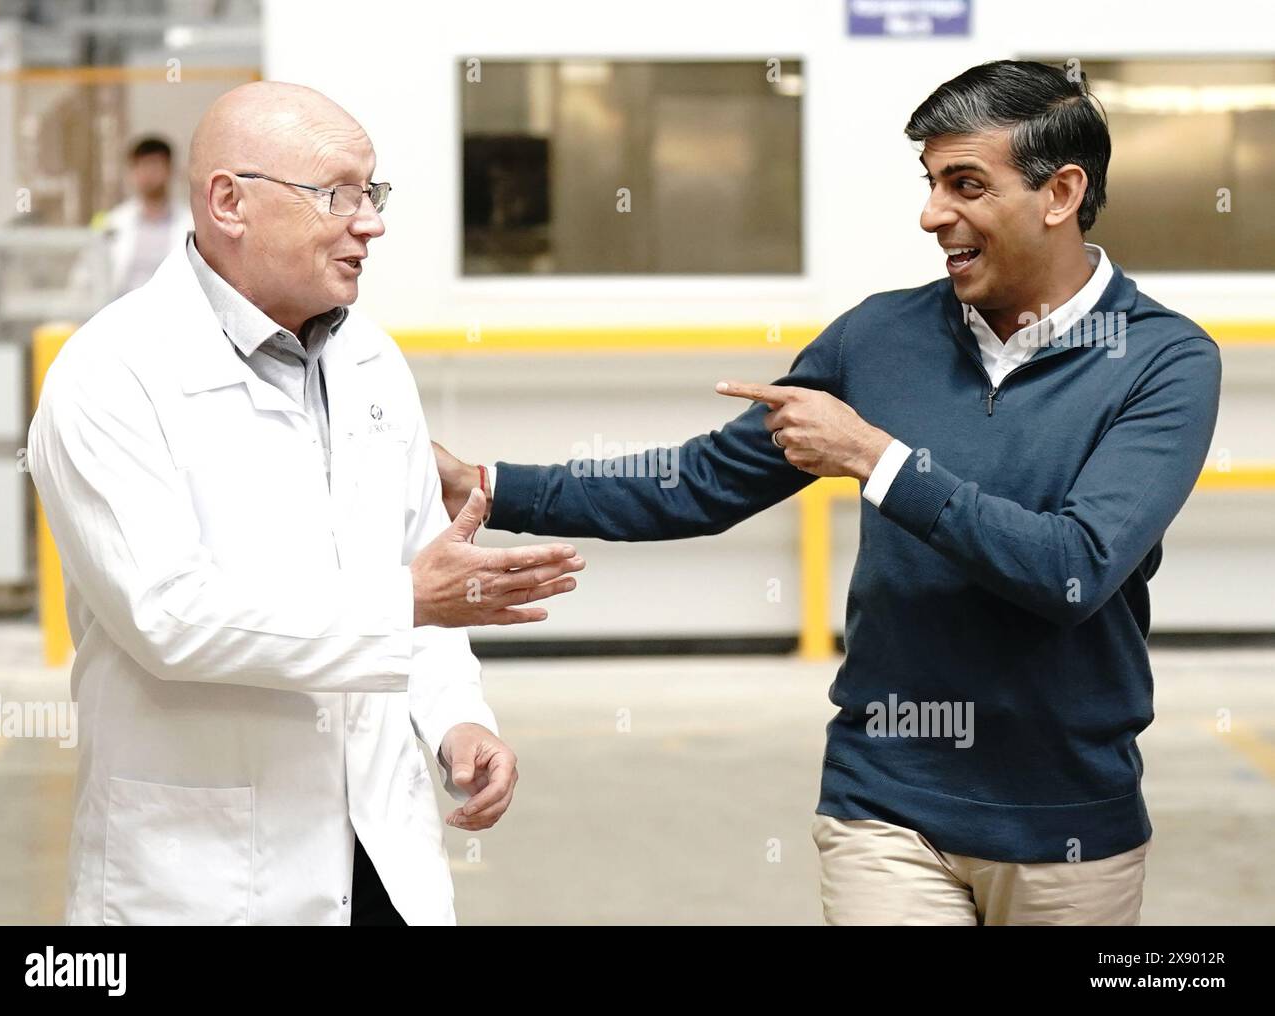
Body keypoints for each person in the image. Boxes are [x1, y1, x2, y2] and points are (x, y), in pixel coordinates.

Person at [432, 61, 1222, 925]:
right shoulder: (879, 336)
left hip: (1068, 823)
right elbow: (698, 484)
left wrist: (879, 461)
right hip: (884, 801)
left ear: (1060, 192)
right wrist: (485, 485)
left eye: (966, 185)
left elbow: (1072, 570)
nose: (932, 216)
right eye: (929, 184)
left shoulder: (1162, 363)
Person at [28, 81, 583, 926]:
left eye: (374, 192)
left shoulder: (371, 363)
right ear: (229, 203)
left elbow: (424, 581)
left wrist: (458, 724)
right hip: (204, 878)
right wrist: (406, 600)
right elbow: (168, 615)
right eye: (340, 194)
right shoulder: (110, 375)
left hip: (381, 861)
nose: (372, 221)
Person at [90, 136, 194, 297]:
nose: (150, 174)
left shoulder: (191, 223)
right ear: (132, 171)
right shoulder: (113, 222)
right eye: (143, 166)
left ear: (170, 170)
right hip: (122, 312)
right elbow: (88, 275)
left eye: (156, 165)